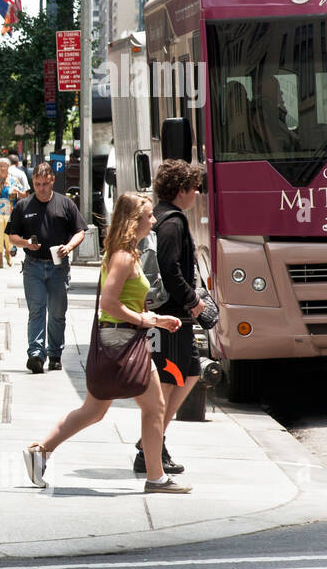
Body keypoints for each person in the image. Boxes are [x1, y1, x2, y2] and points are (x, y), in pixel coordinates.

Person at [23, 192, 191, 494]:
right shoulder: (124, 257)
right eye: (148, 216)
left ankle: (41, 451)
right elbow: (110, 303)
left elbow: (122, 302)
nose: (154, 221)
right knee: (153, 407)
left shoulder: (126, 253)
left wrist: (155, 320)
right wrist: (145, 321)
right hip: (122, 339)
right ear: (134, 221)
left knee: (95, 410)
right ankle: (156, 478)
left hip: (122, 337)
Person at [137, 159, 208, 476]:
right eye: (195, 188)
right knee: (168, 382)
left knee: (191, 372)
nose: (198, 194)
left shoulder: (165, 217)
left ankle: (151, 440)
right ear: (182, 190)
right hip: (171, 318)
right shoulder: (172, 222)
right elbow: (170, 270)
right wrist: (193, 301)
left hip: (176, 318)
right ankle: (149, 448)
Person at [6, 162, 87, 373]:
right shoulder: (23, 205)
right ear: (33, 182)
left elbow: (80, 231)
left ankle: (55, 354)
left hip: (58, 267)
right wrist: (26, 243)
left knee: (58, 313)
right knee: (37, 310)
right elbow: (12, 236)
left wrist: (69, 247)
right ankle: (35, 354)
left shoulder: (65, 204)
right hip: (33, 266)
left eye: (45, 184)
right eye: (37, 184)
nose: (41, 188)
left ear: (52, 181)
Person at [0, 157, 25, 269]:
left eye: (5, 166)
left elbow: (24, 195)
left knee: (8, 236)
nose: (2, 168)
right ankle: (0, 260)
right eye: (0, 166)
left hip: (10, 213)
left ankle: (8, 253)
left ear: (8, 167)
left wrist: (18, 192)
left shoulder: (14, 181)